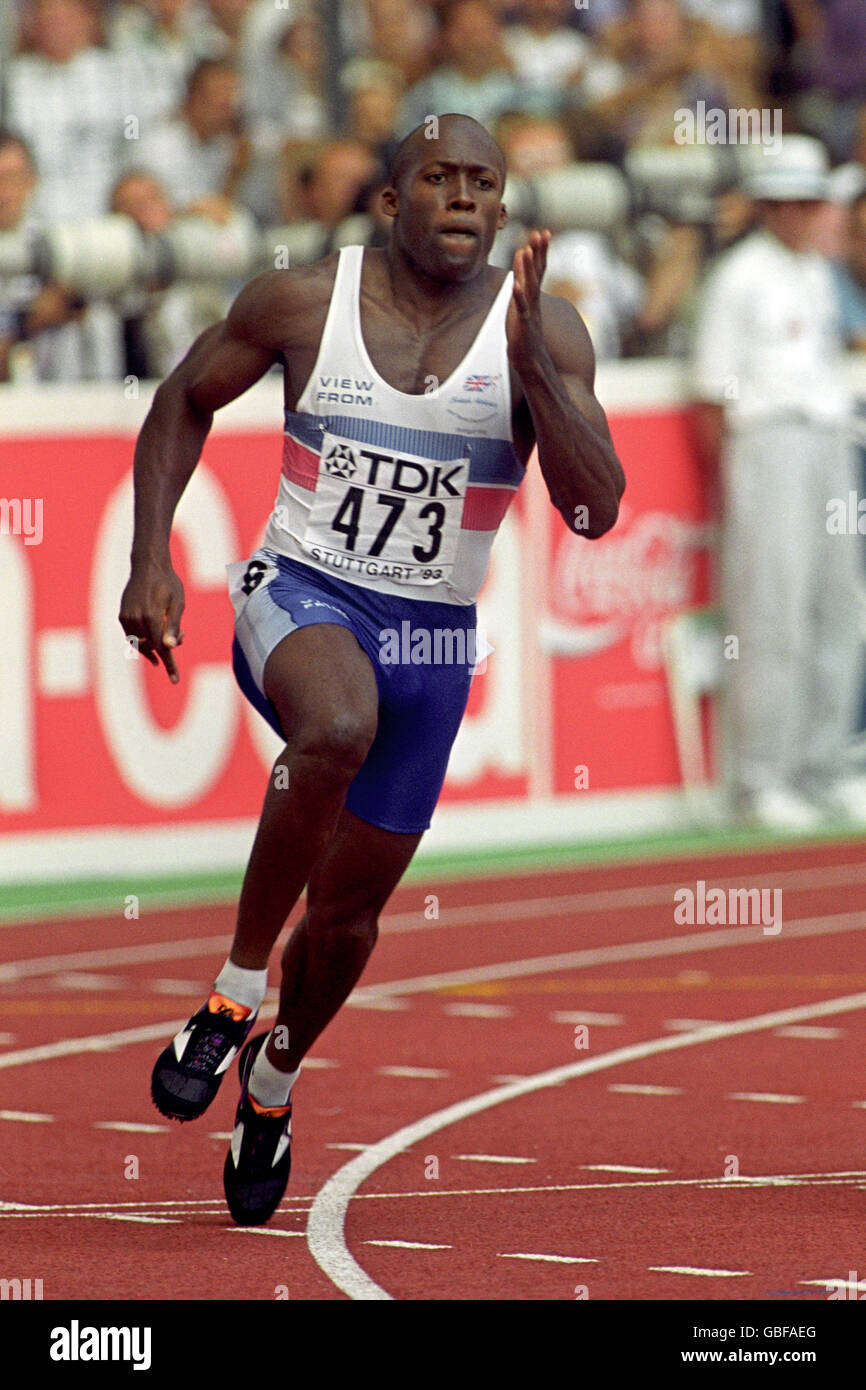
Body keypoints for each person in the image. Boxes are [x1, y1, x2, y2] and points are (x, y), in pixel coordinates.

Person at [119, 112, 625, 1226]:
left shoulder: (546, 330)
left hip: (433, 641)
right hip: (302, 591)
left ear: (500, 211)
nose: (461, 198)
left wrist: (534, 364)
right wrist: (151, 558)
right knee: (334, 725)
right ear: (391, 202)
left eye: (482, 184)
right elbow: (180, 403)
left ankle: (273, 1077)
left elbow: (594, 510)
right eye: (437, 179)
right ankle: (232, 989)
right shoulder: (301, 299)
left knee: (347, 920)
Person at [692, 134, 865, 831]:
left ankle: (824, 766)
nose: (802, 213)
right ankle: (760, 778)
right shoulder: (738, 278)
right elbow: (711, 397)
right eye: (790, 202)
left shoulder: (820, 274)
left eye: (812, 201)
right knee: (772, 614)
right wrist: (736, 491)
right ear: (767, 206)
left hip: (828, 437)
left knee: (838, 607)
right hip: (767, 443)